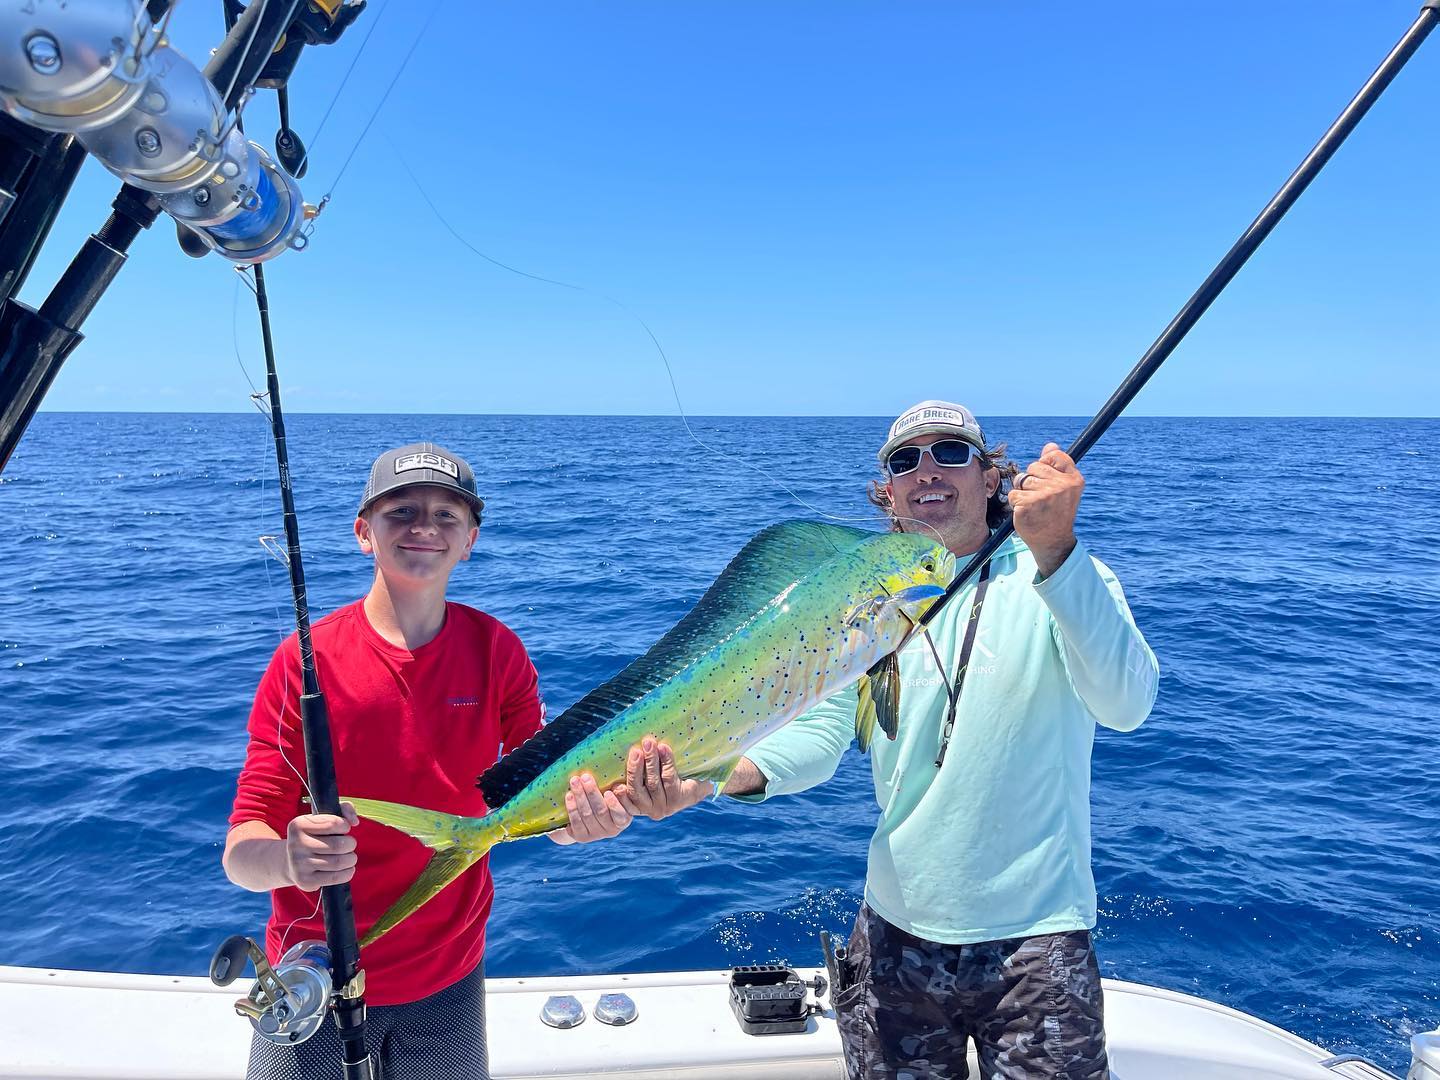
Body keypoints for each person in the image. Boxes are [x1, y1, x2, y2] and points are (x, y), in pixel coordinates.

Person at [638, 401, 1159, 1079]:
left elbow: (1128, 703)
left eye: (951, 452)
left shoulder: (1057, 577)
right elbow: (821, 731)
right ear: (888, 490)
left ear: (992, 477)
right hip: (894, 933)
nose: (927, 470)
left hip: (1038, 942)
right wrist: (708, 781)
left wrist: (1058, 550)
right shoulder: (864, 599)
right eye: (905, 459)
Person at [223, 442, 635, 1080]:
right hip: (312, 976)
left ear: (470, 539)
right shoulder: (301, 663)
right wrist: (286, 859)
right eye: (402, 511)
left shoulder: (498, 651)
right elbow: (242, 848)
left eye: (448, 515)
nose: (425, 527)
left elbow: (545, 804)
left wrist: (588, 820)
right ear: (364, 533)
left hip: (449, 977)